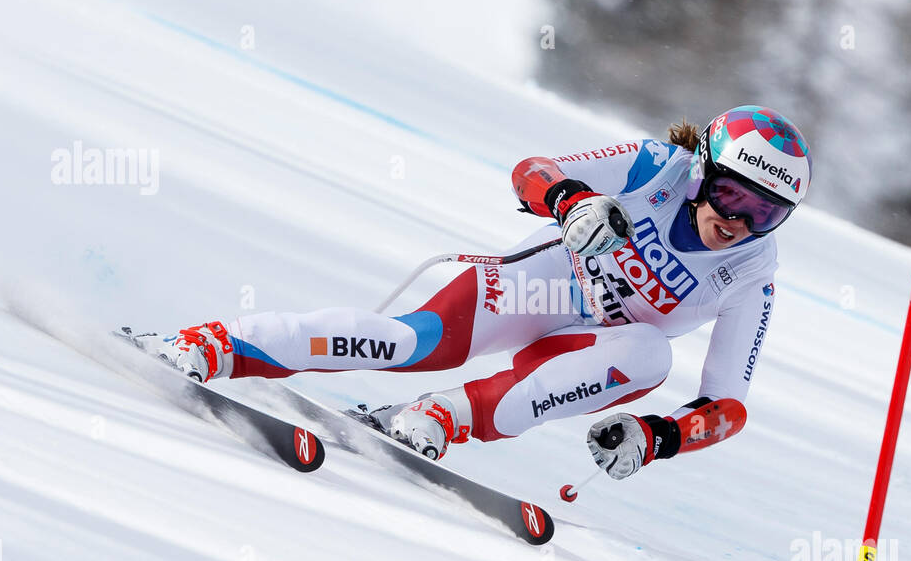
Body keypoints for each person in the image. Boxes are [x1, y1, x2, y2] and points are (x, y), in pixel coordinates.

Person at [153, 105, 811, 480]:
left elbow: (728, 405)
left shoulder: (753, 272)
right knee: (409, 343)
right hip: (547, 287)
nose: (739, 222)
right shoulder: (655, 167)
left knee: (650, 357)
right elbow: (533, 170)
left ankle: (439, 417)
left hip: (596, 343)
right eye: (730, 195)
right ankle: (216, 343)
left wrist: (656, 435)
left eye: (766, 213)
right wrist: (571, 203)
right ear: (701, 173)